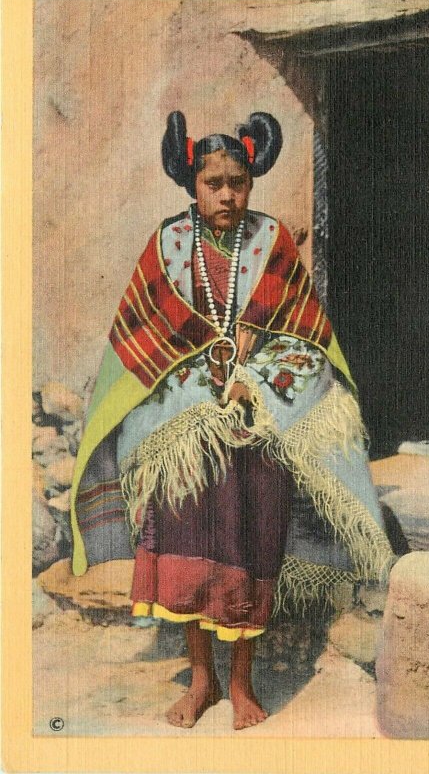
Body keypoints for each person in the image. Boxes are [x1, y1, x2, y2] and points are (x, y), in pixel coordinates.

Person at [70, 110, 395, 731]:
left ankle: (242, 683)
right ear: (192, 185)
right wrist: (201, 392)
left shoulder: (272, 242)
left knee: (250, 554)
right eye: (213, 183)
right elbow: (140, 343)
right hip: (186, 436)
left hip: (254, 432)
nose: (226, 195)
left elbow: (308, 338)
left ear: (251, 182)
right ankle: (201, 682)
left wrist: (254, 375)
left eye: (238, 183)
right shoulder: (168, 245)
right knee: (190, 556)